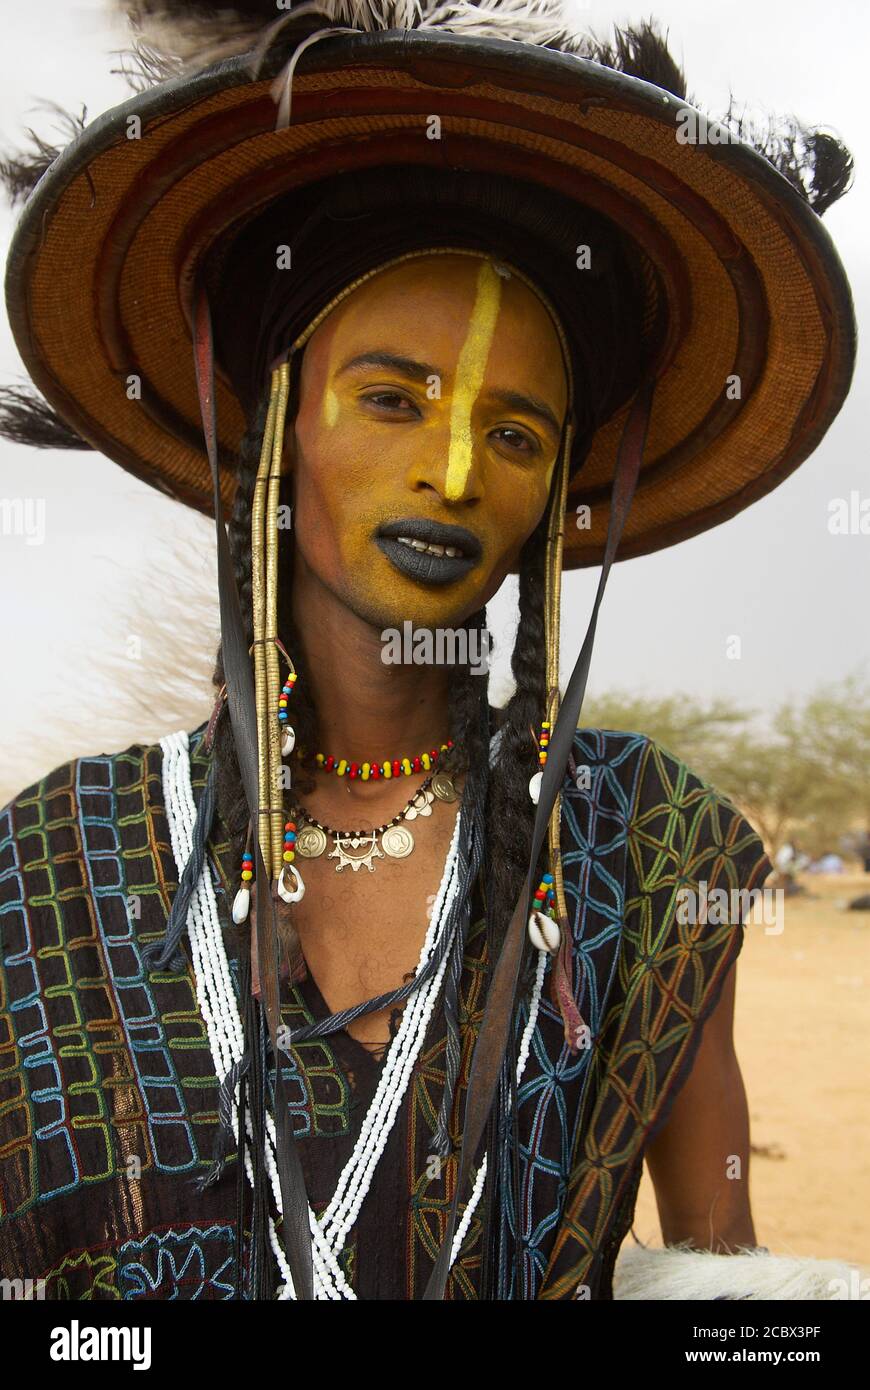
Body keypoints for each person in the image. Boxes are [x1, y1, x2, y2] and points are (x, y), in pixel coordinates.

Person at [0, 3, 856, 1300]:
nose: (451, 471)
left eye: (514, 434)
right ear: (280, 430)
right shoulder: (53, 861)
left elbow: (724, 1294)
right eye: (392, 399)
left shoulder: (642, 842)